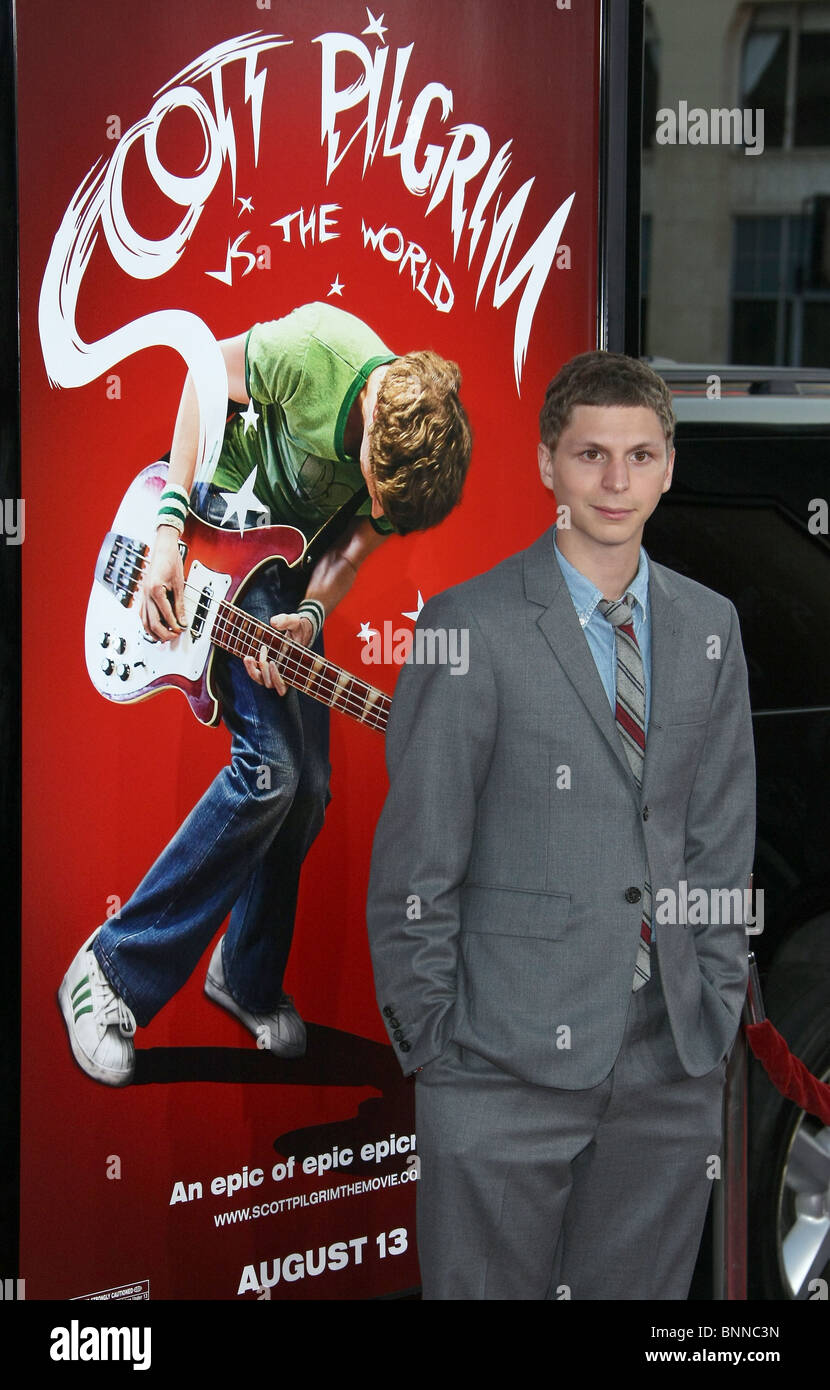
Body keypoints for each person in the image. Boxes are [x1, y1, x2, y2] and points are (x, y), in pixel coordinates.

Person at [366, 350, 755, 1300]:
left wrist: (712, 994)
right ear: (547, 465)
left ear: (669, 465)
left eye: (639, 455)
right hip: (500, 1065)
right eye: (591, 455)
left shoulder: (711, 627)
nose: (616, 482)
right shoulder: (474, 626)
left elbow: (719, 833)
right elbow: (419, 854)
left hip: (669, 1062)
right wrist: (437, 1046)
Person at [59, 301, 471, 1087]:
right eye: (378, 488)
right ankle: (109, 973)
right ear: (377, 409)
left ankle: (242, 976)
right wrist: (171, 531)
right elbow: (203, 377)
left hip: (278, 570)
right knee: (272, 771)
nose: (378, 505)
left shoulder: (409, 469)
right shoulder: (316, 348)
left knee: (308, 789)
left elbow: (351, 545)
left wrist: (311, 614)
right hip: (210, 524)